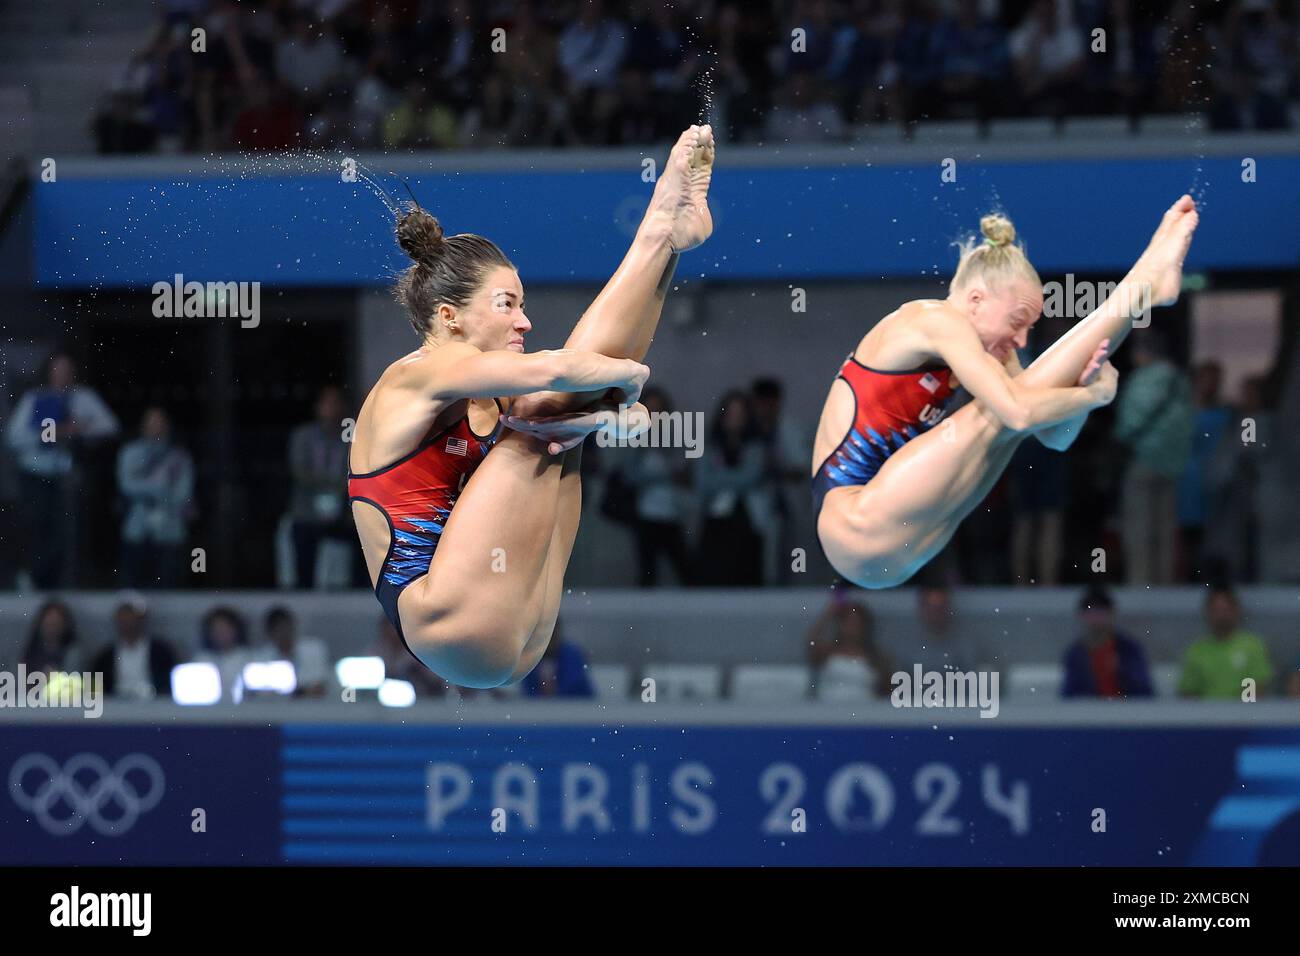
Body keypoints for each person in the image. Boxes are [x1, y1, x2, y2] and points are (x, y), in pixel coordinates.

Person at [348, 125, 714, 688]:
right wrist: (626, 388)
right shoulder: (413, 377)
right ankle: (657, 231)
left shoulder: (501, 394)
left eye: (524, 304)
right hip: (445, 618)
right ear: (450, 317)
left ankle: (667, 243)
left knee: (554, 418)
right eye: (507, 305)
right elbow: (557, 368)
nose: (524, 321)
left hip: (519, 632)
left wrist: (603, 410)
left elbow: (575, 381)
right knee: (547, 412)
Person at [811, 196, 1199, 589]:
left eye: (1029, 327)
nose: (1020, 339)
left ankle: (1142, 288)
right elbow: (1020, 413)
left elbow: (1054, 437)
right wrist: (1094, 398)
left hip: (899, 550)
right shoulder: (933, 319)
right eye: (1017, 322)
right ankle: (1141, 286)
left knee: (1013, 416)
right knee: (1002, 413)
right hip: (856, 522)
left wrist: (1082, 388)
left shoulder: (989, 350)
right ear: (976, 300)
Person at [5, 353, 120, 589]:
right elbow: (14, 438)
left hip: (70, 476)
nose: (62, 374)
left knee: (69, 530)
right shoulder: (34, 397)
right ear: (49, 371)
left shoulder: (84, 397)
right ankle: (35, 580)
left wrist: (76, 430)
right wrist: (51, 432)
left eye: (67, 369)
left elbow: (109, 427)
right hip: (37, 474)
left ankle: (66, 582)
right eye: (58, 369)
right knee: (41, 528)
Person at [1113, 330, 1193, 585]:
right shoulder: (1181, 381)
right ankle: (1164, 582)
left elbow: (1128, 422)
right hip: (1173, 465)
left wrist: (1119, 438)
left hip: (1143, 460)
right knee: (1166, 529)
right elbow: (1190, 421)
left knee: (1139, 527)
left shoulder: (1143, 380)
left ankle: (1141, 583)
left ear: (1143, 353)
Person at [693, 390, 767, 587]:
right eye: (731, 414)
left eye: (740, 415)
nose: (735, 420)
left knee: (745, 575)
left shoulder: (755, 448)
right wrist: (735, 477)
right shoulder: (710, 447)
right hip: (716, 521)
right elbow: (703, 483)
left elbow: (750, 478)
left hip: (747, 519)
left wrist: (720, 478)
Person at [117, 406, 194, 588]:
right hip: (137, 524)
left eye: (159, 422)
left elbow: (184, 492)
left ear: (167, 425)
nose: (155, 427)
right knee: (134, 579)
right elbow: (127, 485)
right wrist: (159, 488)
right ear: (143, 425)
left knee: (168, 579)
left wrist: (152, 490)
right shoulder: (131, 452)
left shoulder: (179, 456)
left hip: (169, 526)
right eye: (151, 422)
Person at [288, 385, 353, 588]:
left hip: (342, 510)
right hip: (308, 510)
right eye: (327, 403)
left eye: (336, 403)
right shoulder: (304, 435)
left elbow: (356, 467)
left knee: (363, 533)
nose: (332, 408)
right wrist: (333, 484)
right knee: (302, 536)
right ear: (318, 407)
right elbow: (299, 471)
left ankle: (358, 589)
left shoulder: (349, 433)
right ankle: (303, 591)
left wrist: (340, 488)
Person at [1178, 586, 1275, 699]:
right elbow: (1188, 693)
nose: (1221, 615)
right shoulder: (1196, 650)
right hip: (1205, 715)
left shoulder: (1252, 646)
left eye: (1226, 609)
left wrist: (1236, 713)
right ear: (1207, 612)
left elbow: (1257, 690)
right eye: (1216, 610)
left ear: (1237, 610)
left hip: (1243, 714)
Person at [1061, 586, 1153, 698]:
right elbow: (1070, 695)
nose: (1096, 621)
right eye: (1091, 614)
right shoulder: (1075, 654)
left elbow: (1145, 692)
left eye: (1101, 614)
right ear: (1081, 616)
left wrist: (1121, 671)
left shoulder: (1129, 650)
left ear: (1112, 614)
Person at [87, 592, 179, 699]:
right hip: (114, 709)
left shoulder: (162, 652)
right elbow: (92, 690)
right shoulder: (104, 656)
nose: (128, 619)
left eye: (132, 614)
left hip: (155, 707)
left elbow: (171, 685)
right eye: (124, 615)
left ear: (143, 618)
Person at [807, 594, 893, 700]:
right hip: (827, 710)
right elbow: (811, 644)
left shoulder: (876, 659)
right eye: (848, 621)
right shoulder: (827, 652)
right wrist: (829, 613)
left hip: (864, 712)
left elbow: (887, 692)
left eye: (857, 622)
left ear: (865, 626)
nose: (852, 627)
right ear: (840, 624)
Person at [252, 606, 330, 697]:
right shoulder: (261, 657)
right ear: (270, 633)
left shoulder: (314, 649)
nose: (283, 632)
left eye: (286, 626)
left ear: (293, 625)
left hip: (314, 706)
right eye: (278, 629)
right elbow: (264, 693)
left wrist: (292, 693)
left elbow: (319, 686)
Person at [520, 618, 594, 698]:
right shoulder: (529, 658)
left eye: (553, 632)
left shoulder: (573, 655)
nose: (550, 636)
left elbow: (574, 684)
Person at [193, 606, 253, 701]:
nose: (221, 634)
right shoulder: (201, 660)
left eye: (225, 629)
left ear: (236, 630)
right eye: (216, 629)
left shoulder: (250, 659)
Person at [19, 599, 82, 674]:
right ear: (40, 625)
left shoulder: (73, 655)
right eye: (48, 624)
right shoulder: (29, 652)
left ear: (65, 626)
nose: (52, 629)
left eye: (56, 624)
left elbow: (73, 680)